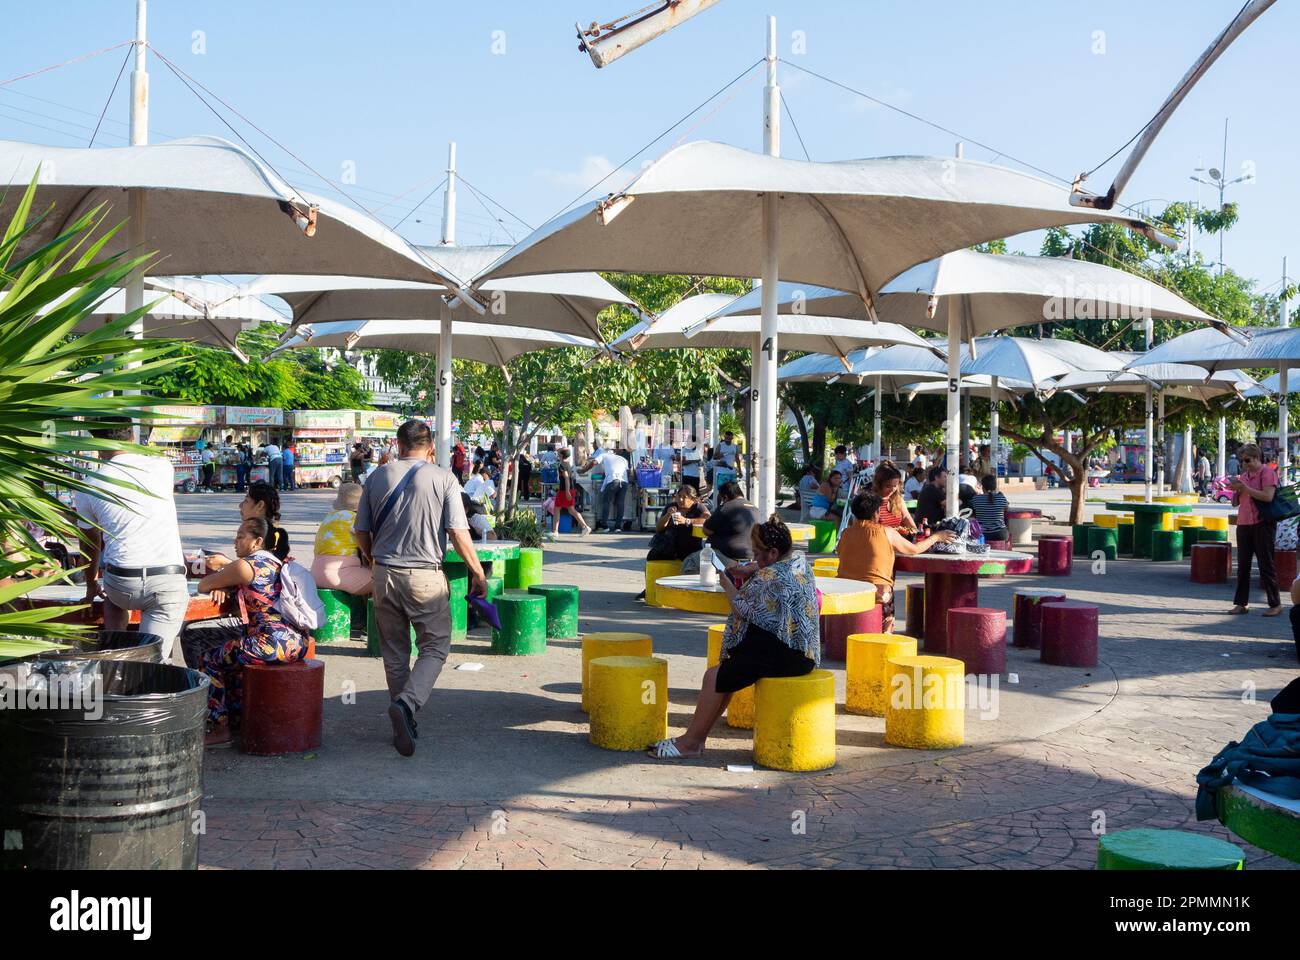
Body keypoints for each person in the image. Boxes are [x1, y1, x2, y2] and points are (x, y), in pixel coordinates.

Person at [355, 420, 487, 757]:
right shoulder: (443, 478)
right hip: (425, 576)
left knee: (395, 652)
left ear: (398, 445)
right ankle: (408, 705)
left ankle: (404, 717)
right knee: (435, 646)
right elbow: (458, 532)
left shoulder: (376, 477)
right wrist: (477, 573)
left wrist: (374, 559)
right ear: (429, 448)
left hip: (384, 575)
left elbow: (360, 532)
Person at [648, 515, 819, 760]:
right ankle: (696, 738)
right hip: (801, 649)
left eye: (758, 554)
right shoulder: (799, 562)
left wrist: (726, 583)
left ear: (773, 553)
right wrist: (753, 567)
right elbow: (764, 581)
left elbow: (742, 606)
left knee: (714, 676)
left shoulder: (771, 577)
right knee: (725, 675)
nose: (754, 558)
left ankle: (691, 743)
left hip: (785, 653)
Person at [76, 418, 189, 662]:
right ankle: (145, 666)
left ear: (96, 441)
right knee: (154, 661)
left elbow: (90, 545)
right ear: (132, 435)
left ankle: (116, 652)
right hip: (167, 582)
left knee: (112, 597)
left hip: (121, 582)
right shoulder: (163, 467)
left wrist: (90, 584)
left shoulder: (88, 484)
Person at [197, 516, 308, 746]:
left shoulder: (245, 565)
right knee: (233, 654)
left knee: (209, 660)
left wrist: (223, 578)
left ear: (257, 542)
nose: (235, 542)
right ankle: (236, 718)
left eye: (240, 537)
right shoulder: (276, 562)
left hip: (270, 644)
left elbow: (203, 585)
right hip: (297, 642)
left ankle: (220, 728)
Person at [838, 493, 955, 632]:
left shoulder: (845, 533)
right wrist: (936, 537)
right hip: (877, 592)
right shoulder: (887, 532)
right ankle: (886, 634)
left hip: (844, 588)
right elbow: (914, 549)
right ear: (876, 513)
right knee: (886, 592)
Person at [1229, 443, 1282, 617]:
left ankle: (1275, 604)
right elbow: (1235, 503)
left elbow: (1268, 496)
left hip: (1262, 523)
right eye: (1242, 461)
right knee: (1243, 566)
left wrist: (1246, 489)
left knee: (1265, 564)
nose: (1244, 464)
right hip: (1244, 524)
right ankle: (1241, 603)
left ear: (1257, 457)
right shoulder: (1244, 476)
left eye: (1247, 460)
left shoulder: (1267, 473)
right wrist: (1236, 490)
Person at [310, 482, 372, 596]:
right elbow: (369, 547)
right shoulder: (354, 519)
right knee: (384, 580)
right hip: (338, 575)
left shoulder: (329, 517)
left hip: (315, 573)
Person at [687, 481, 759, 572]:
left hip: (729, 558)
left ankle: (699, 586)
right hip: (751, 557)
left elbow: (706, 530)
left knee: (691, 561)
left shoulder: (727, 507)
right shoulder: (755, 508)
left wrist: (719, 507)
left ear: (725, 497)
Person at [646, 484, 711, 567]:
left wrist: (687, 521)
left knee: (692, 563)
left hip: (690, 548)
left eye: (684, 497)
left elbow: (708, 519)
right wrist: (667, 515)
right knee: (652, 556)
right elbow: (658, 529)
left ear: (693, 499)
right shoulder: (671, 507)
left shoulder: (698, 507)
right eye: (679, 496)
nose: (680, 499)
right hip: (668, 547)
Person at [581, 445, 630, 533]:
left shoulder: (603, 455)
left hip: (613, 480)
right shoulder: (622, 459)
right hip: (624, 481)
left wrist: (583, 470)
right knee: (620, 503)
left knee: (606, 502)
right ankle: (618, 527)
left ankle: (605, 526)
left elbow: (593, 463)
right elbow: (628, 472)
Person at [548, 448, 591, 539]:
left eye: (559, 452)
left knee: (557, 509)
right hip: (570, 489)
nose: (557, 453)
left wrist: (567, 491)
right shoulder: (568, 464)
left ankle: (555, 531)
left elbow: (566, 478)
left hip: (564, 490)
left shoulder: (562, 465)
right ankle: (585, 527)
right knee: (571, 510)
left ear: (561, 455)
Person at [871, 463, 917, 536]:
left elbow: (908, 520)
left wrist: (912, 531)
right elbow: (870, 530)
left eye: (895, 486)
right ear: (879, 484)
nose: (892, 489)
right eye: (888, 486)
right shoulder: (871, 501)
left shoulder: (898, 499)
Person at [970, 474, 1009, 542]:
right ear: (995, 486)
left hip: (983, 534)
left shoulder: (976, 499)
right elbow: (1006, 509)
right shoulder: (1001, 498)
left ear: (982, 486)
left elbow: (972, 512)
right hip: (1000, 533)